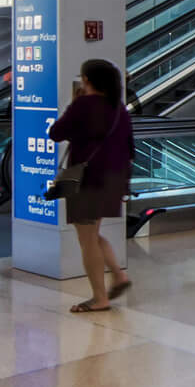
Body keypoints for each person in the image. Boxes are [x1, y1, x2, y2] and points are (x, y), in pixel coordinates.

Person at [49, 58, 136, 312]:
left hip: (88, 179)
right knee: (93, 234)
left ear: (86, 80)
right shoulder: (119, 107)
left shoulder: (83, 105)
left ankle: (100, 298)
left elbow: (55, 134)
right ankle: (119, 276)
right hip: (115, 177)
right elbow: (130, 147)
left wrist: (74, 105)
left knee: (87, 240)